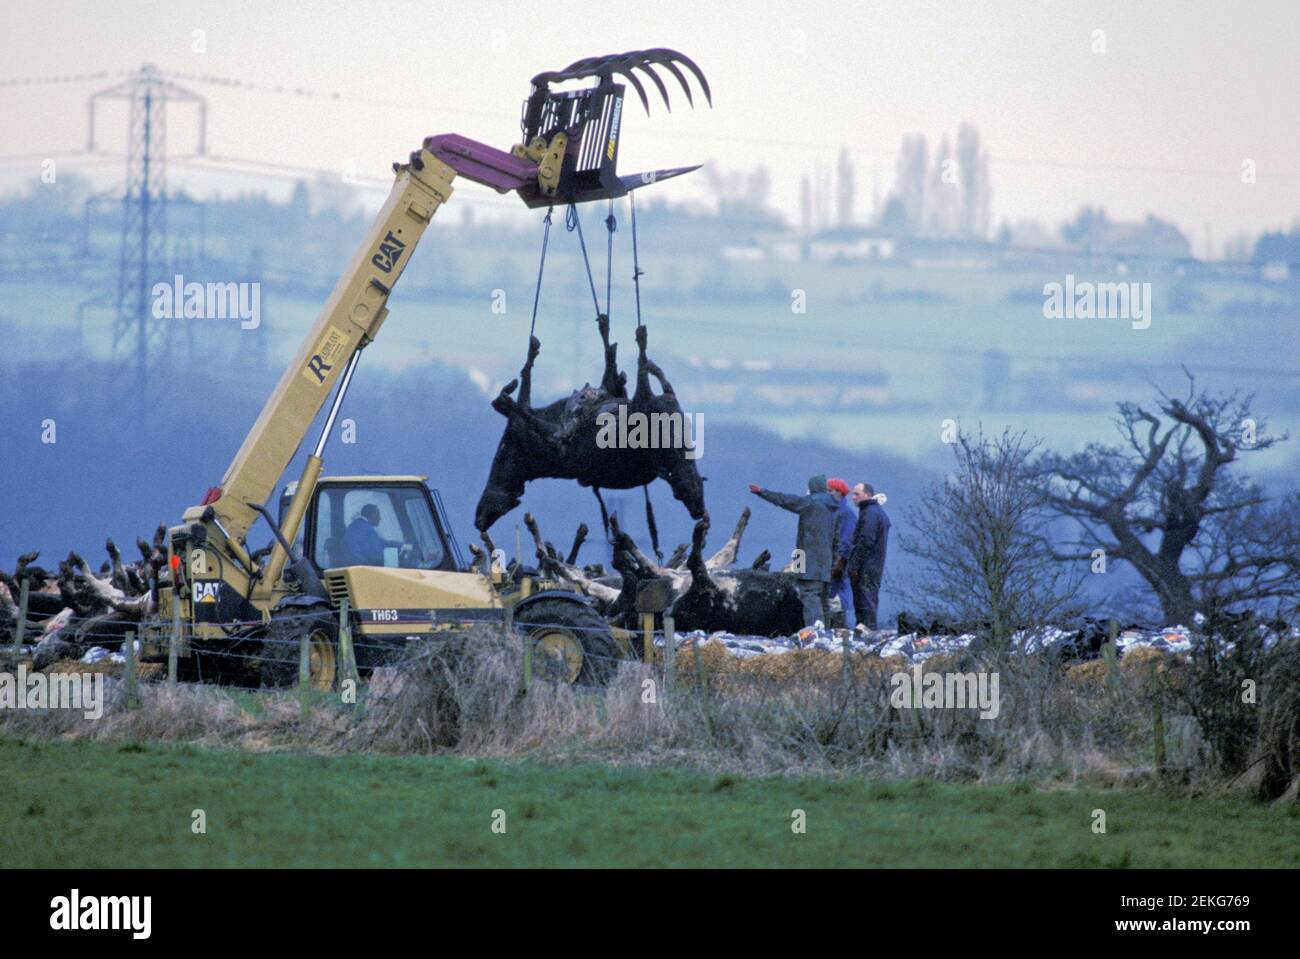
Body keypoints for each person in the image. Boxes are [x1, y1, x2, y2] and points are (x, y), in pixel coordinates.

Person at [749, 475, 838, 627]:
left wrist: (761, 492)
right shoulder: (833, 508)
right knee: (822, 597)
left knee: (809, 594)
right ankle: (826, 632)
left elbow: (785, 500)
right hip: (825, 560)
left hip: (806, 557)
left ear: (813, 488)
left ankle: (814, 631)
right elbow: (836, 538)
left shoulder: (811, 503)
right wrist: (834, 561)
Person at [846, 482, 890, 630]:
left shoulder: (870, 513)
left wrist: (854, 565)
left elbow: (866, 541)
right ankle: (867, 632)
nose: (853, 498)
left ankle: (867, 634)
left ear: (867, 494)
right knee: (868, 601)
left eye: (857, 494)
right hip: (873, 566)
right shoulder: (875, 511)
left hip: (866, 568)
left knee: (864, 602)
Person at [826, 477, 858, 629]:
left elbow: (847, 540)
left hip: (839, 563)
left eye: (829, 491)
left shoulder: (845, 513)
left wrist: (840, 561)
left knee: (838, 597)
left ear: (839, 493)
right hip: (830, 561)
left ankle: (840, 631)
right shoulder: (832, 512)